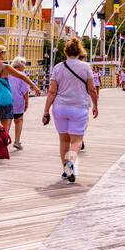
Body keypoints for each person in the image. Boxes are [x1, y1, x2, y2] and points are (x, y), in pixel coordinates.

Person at [43, 38, 98, 183]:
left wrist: (46, 111)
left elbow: (52, 92)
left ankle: (66, 170)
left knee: (63, 140)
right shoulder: (85, 67)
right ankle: (71, 163)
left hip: (60, 108)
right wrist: (95, 105)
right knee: (76, 140)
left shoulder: (58, 67)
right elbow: (92, 89)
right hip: (79, 108)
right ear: (79, 51)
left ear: (65, 51)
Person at [0, 45, 40, 159]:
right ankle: (1, 150)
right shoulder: (6, 67)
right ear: (0, 54)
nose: (5, 54)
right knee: (5, 126)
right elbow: (22, 77)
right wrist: (34, 86)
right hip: (6, 100)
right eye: (4, 52)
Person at [6, 56, 35, 150]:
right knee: (19, 120)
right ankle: (17, 141)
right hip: (18, 101)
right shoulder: (22, 75)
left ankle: (4, 142)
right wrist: (27, 102)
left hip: (7, 100)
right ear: (21, 66)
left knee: (7, 122)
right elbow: (25, 91)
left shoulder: (7, 74)